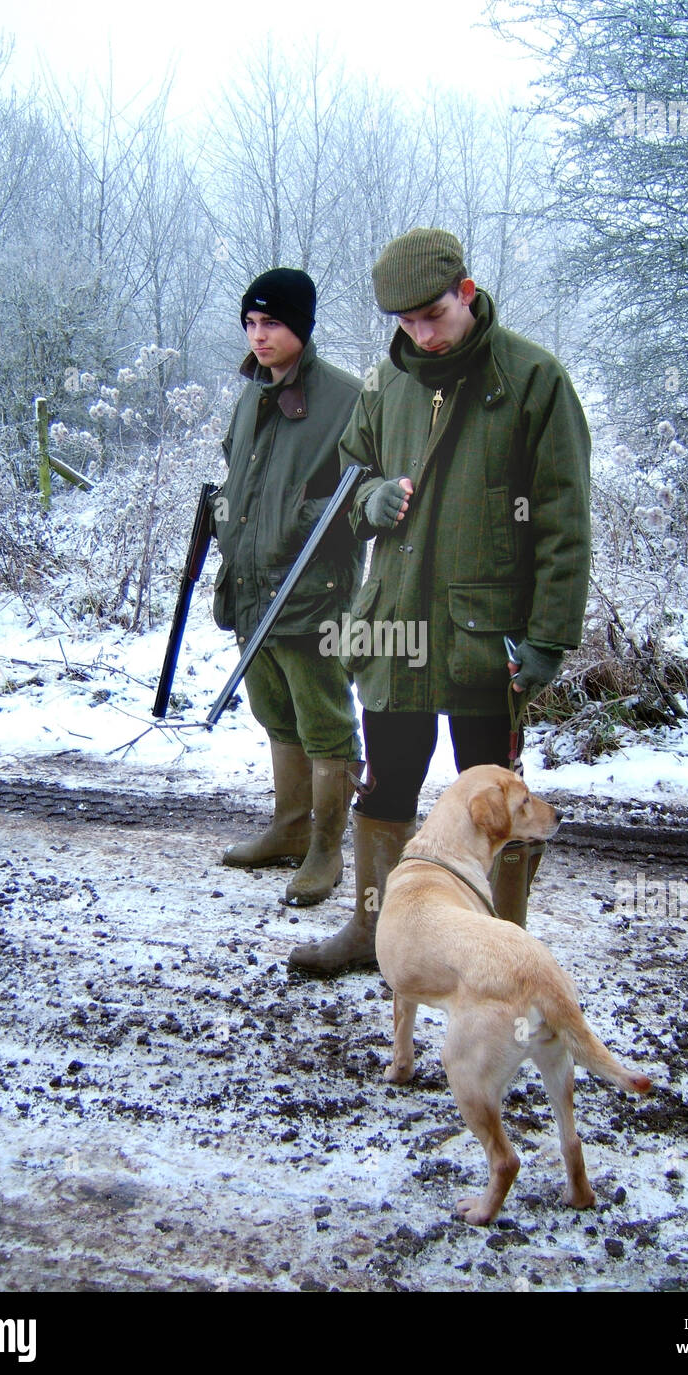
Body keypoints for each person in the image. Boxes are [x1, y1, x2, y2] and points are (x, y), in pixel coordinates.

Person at [288, 228, 591, 974]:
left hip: (490, 637)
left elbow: (562, 517)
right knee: (387, 780)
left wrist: (548, 638)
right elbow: (343, 485)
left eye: (433, 315)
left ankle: (501, 948)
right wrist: (372, 498)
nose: (421, 335)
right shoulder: (384, 385)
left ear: (468, 291)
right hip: (394, 627)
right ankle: (372, 934)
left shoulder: (532, 380)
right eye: (406, 322)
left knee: (495, 802)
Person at [213, 267, 363, 905]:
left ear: (300, 325)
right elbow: (237, 480)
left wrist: (309, 520)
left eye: (270, 322)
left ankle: (327, 849)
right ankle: (288, 829)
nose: (258, 335)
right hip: (251, 586)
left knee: (325, 721)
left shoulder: (349, 399)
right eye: (250, 323)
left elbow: (369, 496)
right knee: (275, 713)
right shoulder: (253, 394)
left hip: (311, 591)